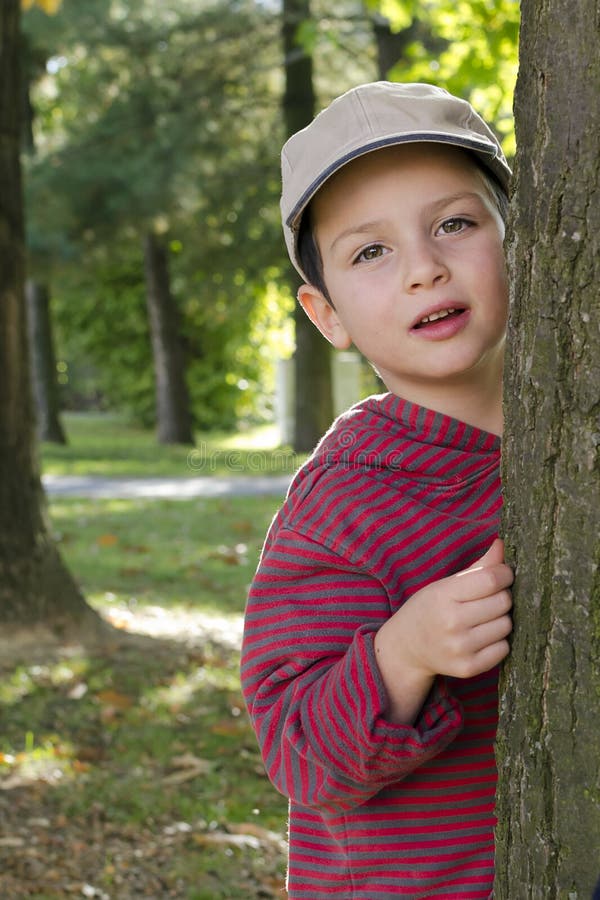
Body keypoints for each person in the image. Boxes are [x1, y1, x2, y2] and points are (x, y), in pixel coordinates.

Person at [241, 81, 515, 899]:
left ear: (523, 239)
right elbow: (294, 750)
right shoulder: (345, 504)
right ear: (325, 314)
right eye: (372, 252)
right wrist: (405, 654)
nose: (424, 269)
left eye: (455, 224)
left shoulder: (574, 430)